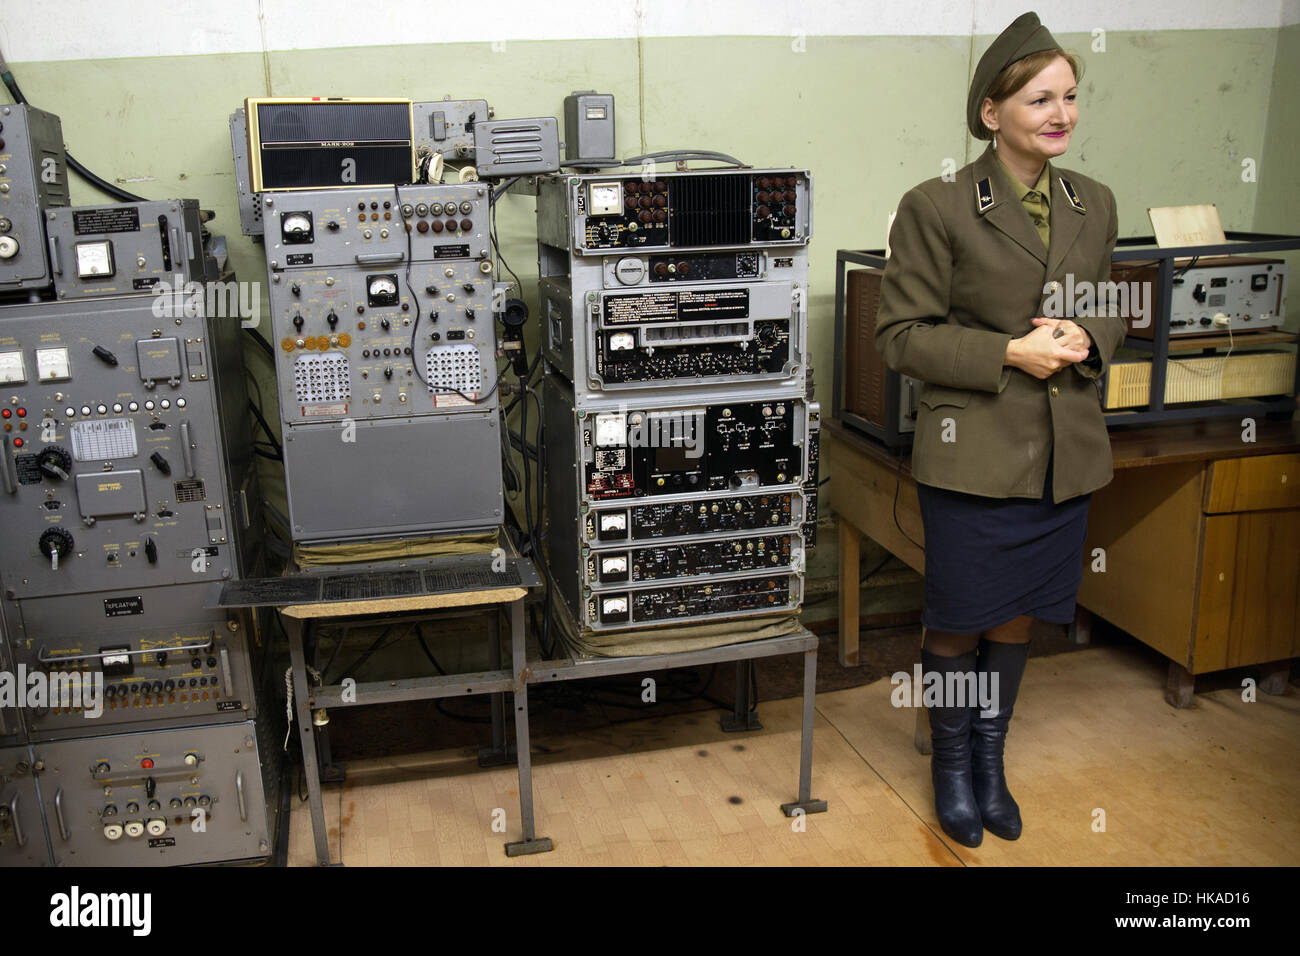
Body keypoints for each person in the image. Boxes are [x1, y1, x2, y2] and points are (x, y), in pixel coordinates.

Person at [874, 11, 1125, 848]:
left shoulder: (1095, 203)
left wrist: (1092, 336)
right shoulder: (938, 206)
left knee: (1017, 616)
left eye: (1071, 98)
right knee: (957, 617)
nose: (1061, 114)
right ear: (991, 112)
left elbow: (1106, 307)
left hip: (1061, 457)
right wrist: (1008, 350)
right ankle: (950, 766)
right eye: (1040, 99)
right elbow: (900, 336)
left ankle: (991, 761)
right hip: (974, 455)